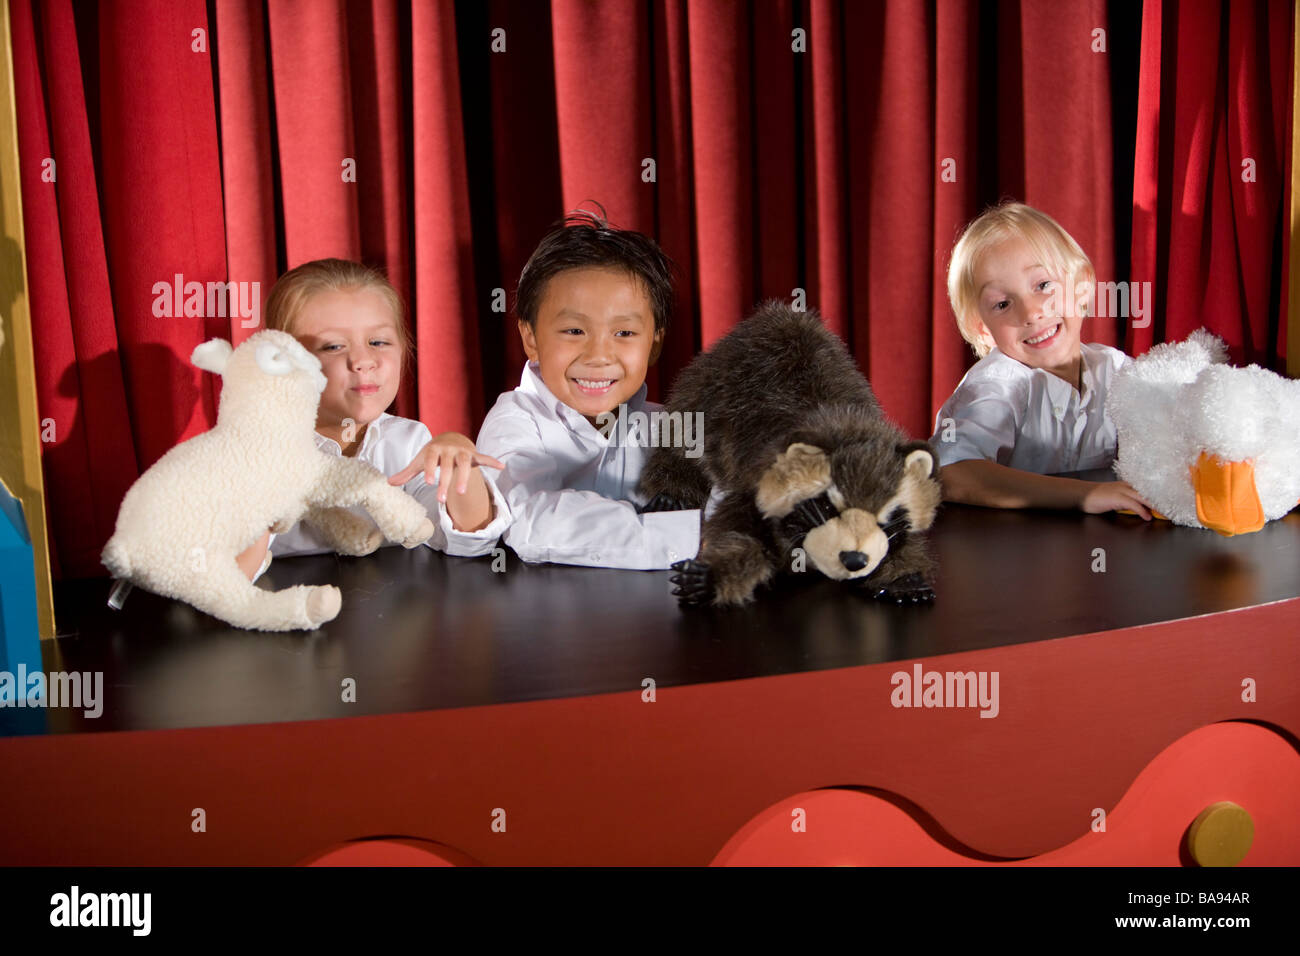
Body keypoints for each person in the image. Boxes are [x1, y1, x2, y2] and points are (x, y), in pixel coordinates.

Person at [236, 258, 509, 579]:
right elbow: (228, 574)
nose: (363, 361)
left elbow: (468, 541)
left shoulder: (408, 442)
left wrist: (461, 459)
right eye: (333, 346)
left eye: (378, 342)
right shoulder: (251, 452)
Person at [474, 209, 701, 569]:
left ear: (655, 344)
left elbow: (732, 499)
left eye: (624, 333)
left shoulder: (670, 425)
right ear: (531, 338)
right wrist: (691, 535)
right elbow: (530, 518)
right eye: (574, 331)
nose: (598, 356)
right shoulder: (515, 420)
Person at [932, 201, 1152, 518]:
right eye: (1003, 304)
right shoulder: (997, 385)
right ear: (984, 330)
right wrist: (1086, 495)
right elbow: (951, 471)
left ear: (1081, 286)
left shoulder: (1114, 369)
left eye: (1043, 285)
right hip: (1009, 544)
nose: (1032, 312)